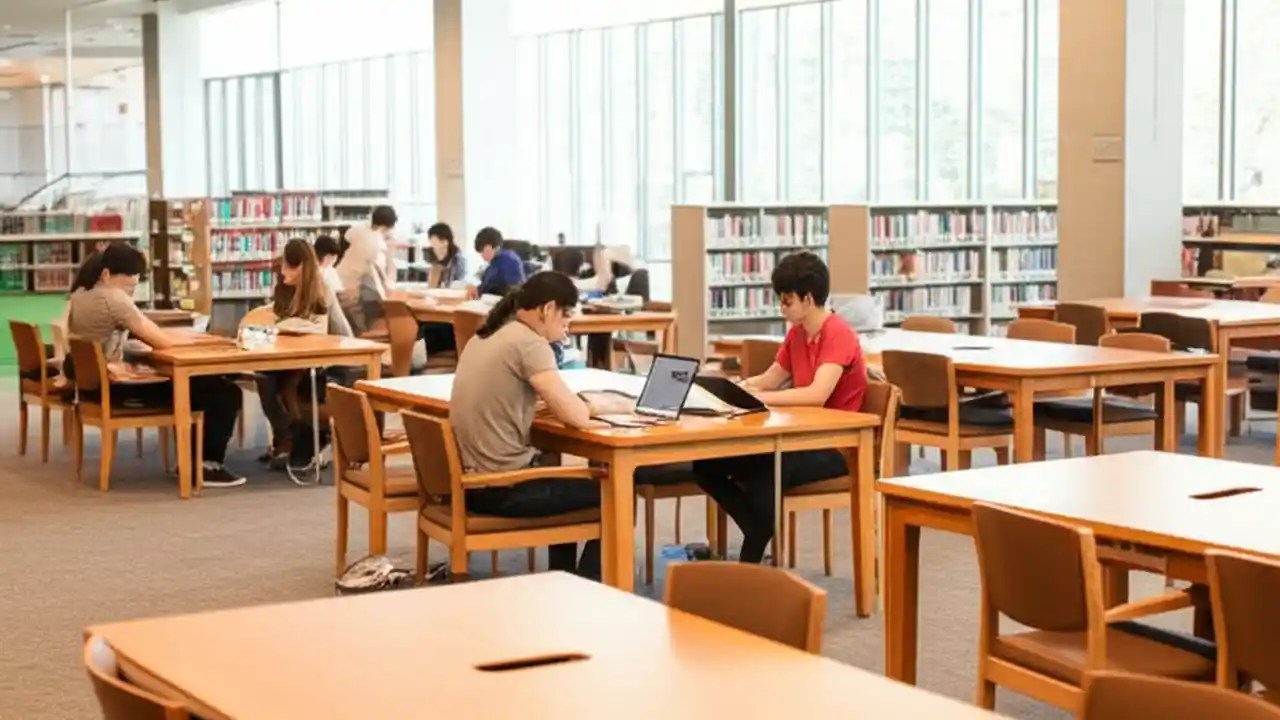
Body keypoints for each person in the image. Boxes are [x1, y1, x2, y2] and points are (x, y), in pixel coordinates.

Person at [692, 251, 868, 563]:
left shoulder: (838, 334)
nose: (781, 307)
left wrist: (760, 399)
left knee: (768, 465)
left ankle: (750, 557)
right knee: (707, 465)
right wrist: (741, 388)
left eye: (787, 300)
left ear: (808, 299)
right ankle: (757, 529)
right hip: (800, 437)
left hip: (835, 445)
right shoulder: (797, 335)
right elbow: (772, 378)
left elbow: (817, 394)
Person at [449, 271, 604, 577]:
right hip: (502, 488)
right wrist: (599, 404)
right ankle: (588, 585)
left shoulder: (487, 334)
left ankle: (565, 579)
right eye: (566, 315)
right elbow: (577, 417)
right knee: (616, 492)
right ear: (547, 309)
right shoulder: (529, 344)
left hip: (471, 481)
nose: (567, 325)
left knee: (562, 476)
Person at [66, 243, 245, 487]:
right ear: (107, 275)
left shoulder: (80, 296)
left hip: (94, 389)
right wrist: (196, 343)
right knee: (223, 392)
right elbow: (160, 341)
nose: (130, 293)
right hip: (118, 392)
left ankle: (190, 462)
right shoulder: (115, 299)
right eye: (129, 286)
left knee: (203, 386)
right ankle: (205, 465)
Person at [254, 239, 351, 466]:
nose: (282, 272)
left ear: (300, 268)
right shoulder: (284, 289)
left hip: (332, 356)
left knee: (285, 383)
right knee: (263, 377)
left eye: (287, 267)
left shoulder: (321, 289)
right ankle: (285, 434)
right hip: (293, 355)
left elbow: (322, 329)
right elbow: (278, 320)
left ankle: (291, 439)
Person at [335, 205, 399, 335]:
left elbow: (347, 235)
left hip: (339, 282)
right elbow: (381, 276)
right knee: (361, 331)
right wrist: (389, 290)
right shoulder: (375, 244)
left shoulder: (361, 231)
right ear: (386, 228)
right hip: (352, 292)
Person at [474, 226, 525, 297]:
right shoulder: (494, 262)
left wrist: (479, 290)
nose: (482, 255)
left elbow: (510, 290)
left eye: (483, 251)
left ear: (494, 247)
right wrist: (477, 289)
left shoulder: (509, 260)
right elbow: (486, 285)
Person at [426, 222, 468, 288]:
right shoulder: (436, 261)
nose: (433, 247)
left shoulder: (457, 260)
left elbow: (453, 285)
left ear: (445, 242)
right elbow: (431, 286)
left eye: (434, 243)